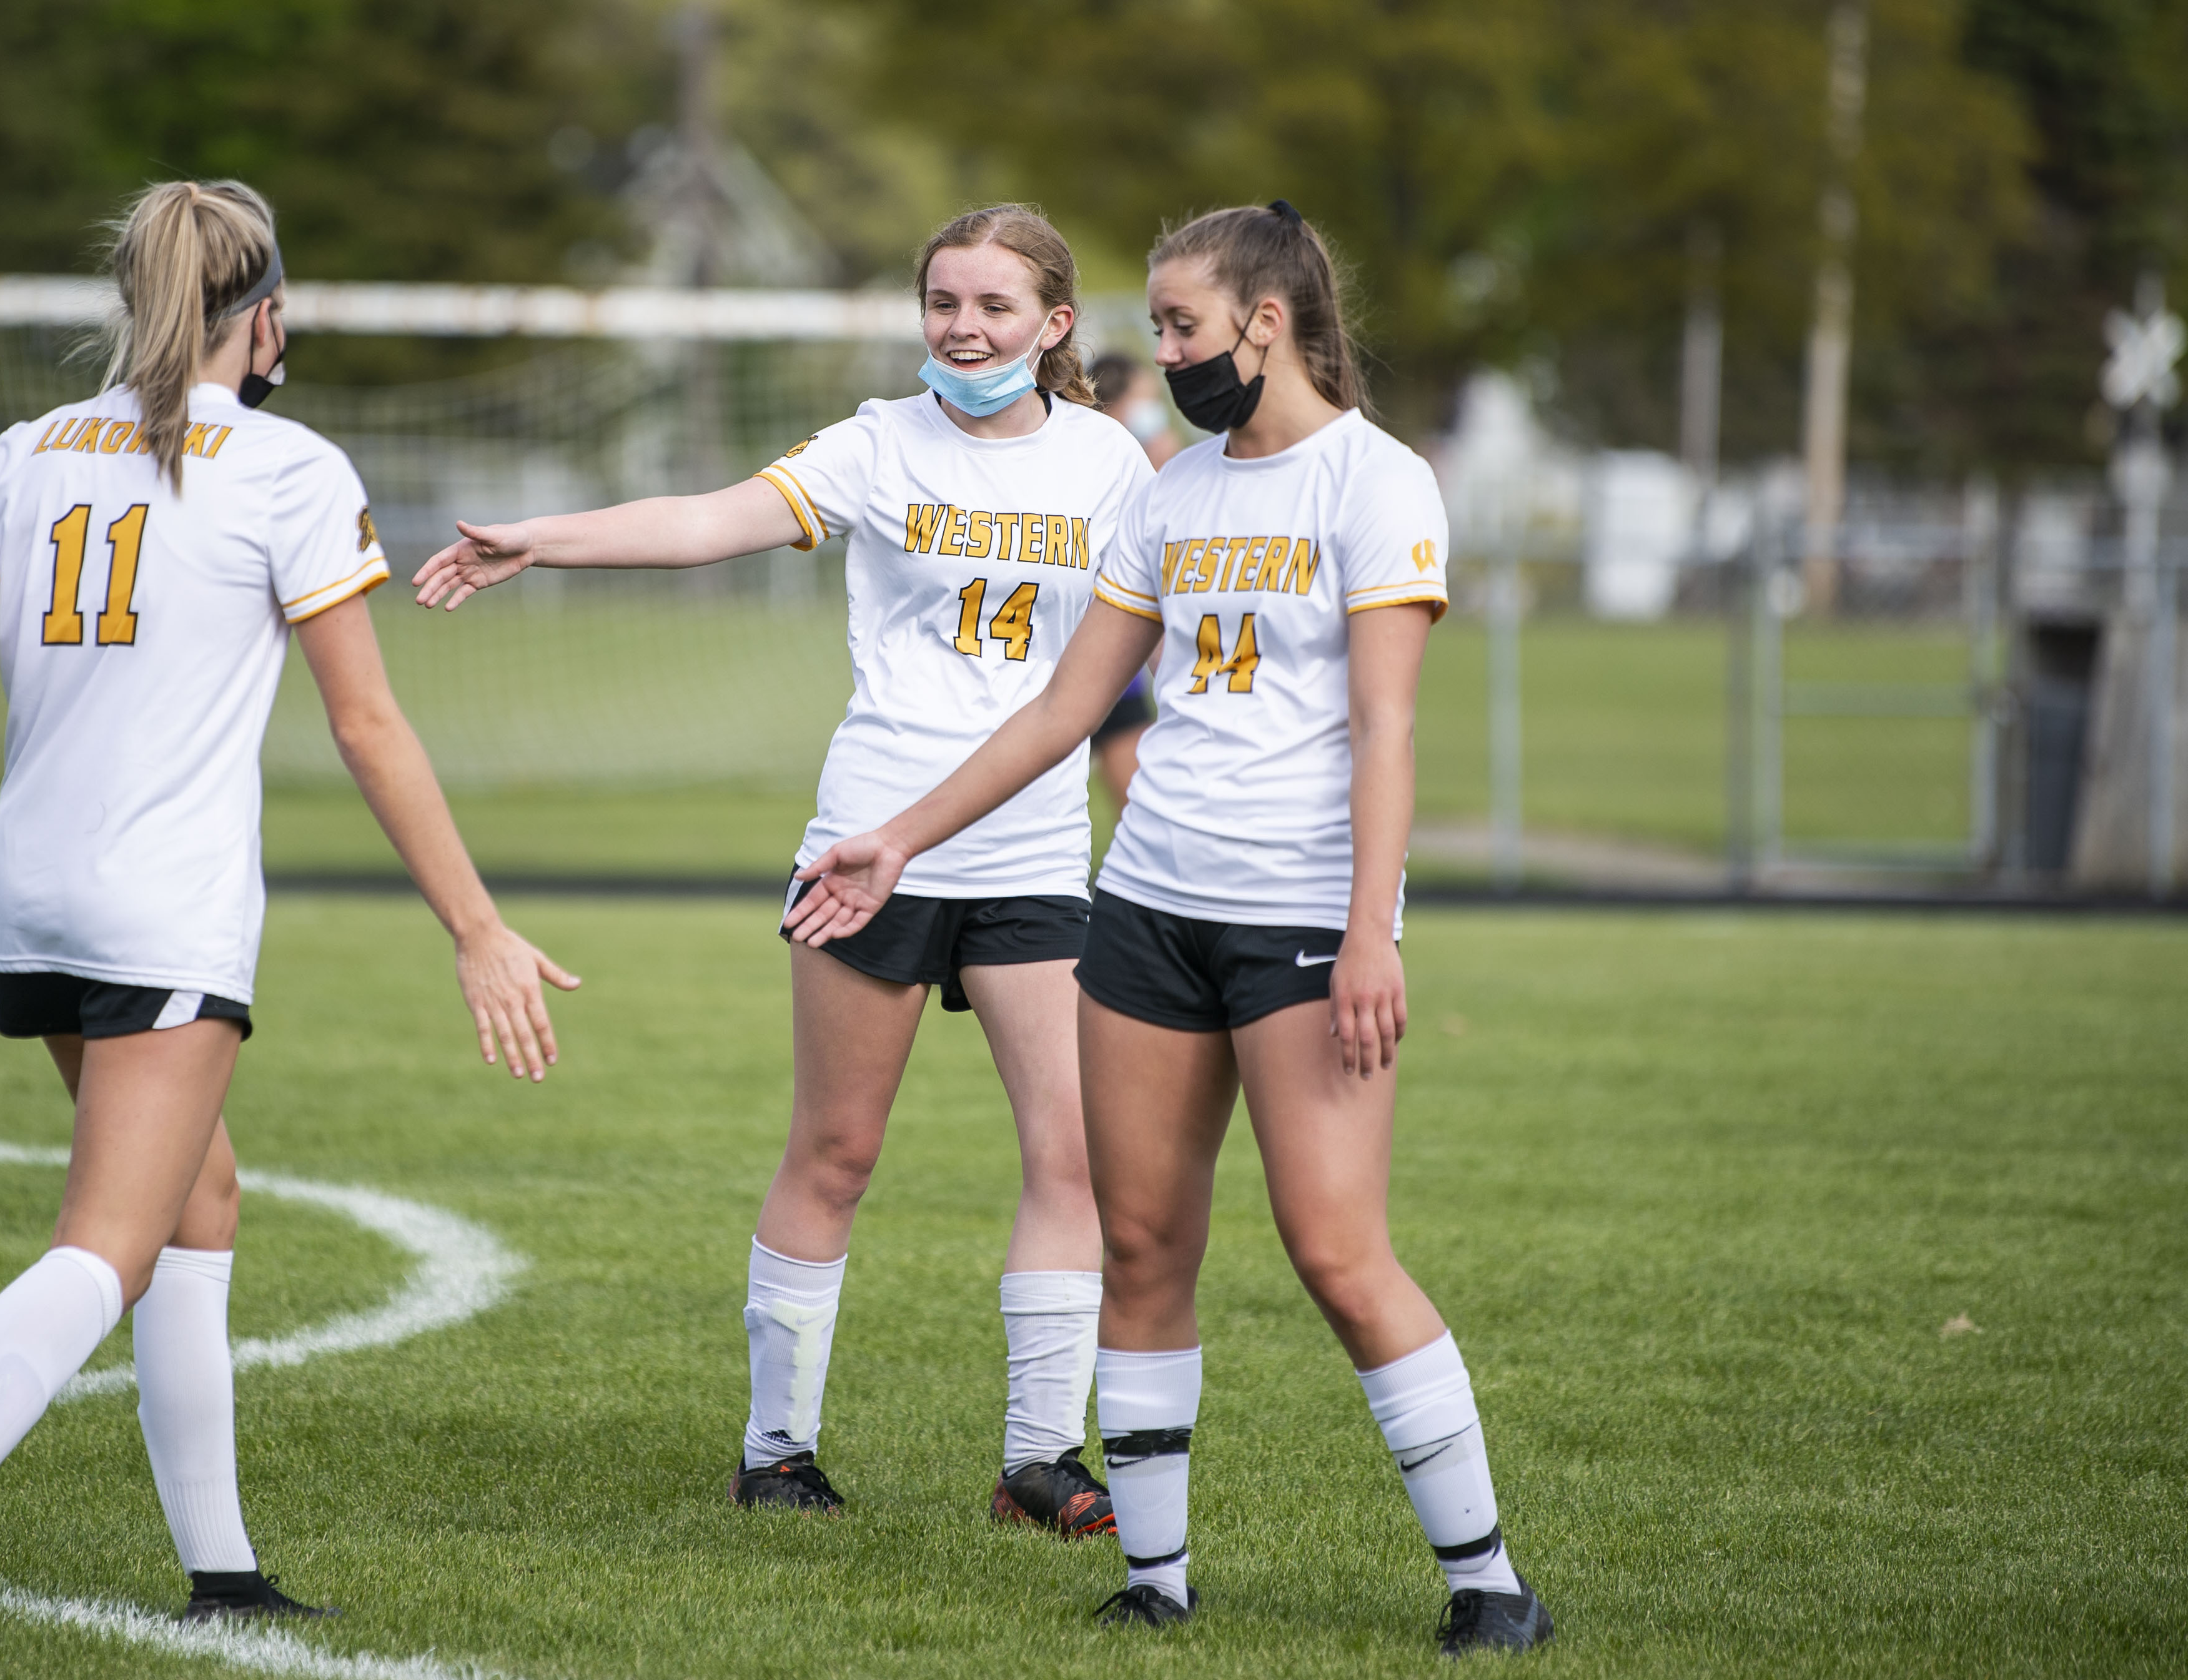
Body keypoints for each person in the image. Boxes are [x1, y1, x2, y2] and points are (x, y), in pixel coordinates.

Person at [0, 180, 578, 1660]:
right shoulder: (289, 466)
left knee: (197, 1203)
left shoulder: (30, 448)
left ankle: (221, 1570)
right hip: (162, 902)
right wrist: (477, 925)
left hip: (33, 890)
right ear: (271, 318)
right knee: (107, 1243)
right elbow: (367, 724)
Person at [780, 202, 1555, 1656]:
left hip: (1300, 922)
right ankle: (1157, 1576)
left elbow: (1386, 726)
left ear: (1266, 323)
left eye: (1186, 326)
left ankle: (1487, 1580)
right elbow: (1070, 709)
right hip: (1145, 909)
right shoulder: (1169, 488)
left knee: (1335, 1249)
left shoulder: (1375, 484)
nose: (1169, 352)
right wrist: (899, 835)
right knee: (1139, 1245)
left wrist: (1371, 927)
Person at [414, 205, 1154, 1536]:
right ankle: (778, 1450)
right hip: (868, 844)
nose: (962, 328)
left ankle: (1040, 1459)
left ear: (1053, 325)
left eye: (992, 307)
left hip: (1032, 848)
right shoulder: (879, 442)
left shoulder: (1114, 463)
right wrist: (546, 539)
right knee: (835, 1146)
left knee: (1072, 1154)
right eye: (942, 302)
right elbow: (705, 520)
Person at [1084, 352, 1176, 813]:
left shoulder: (1157, 485)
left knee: (1144, 814)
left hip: (1118, 680)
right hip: (1069, 670)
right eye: (1145, 406)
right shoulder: (1084, 478)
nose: (1157, 423)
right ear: (1109, 409)